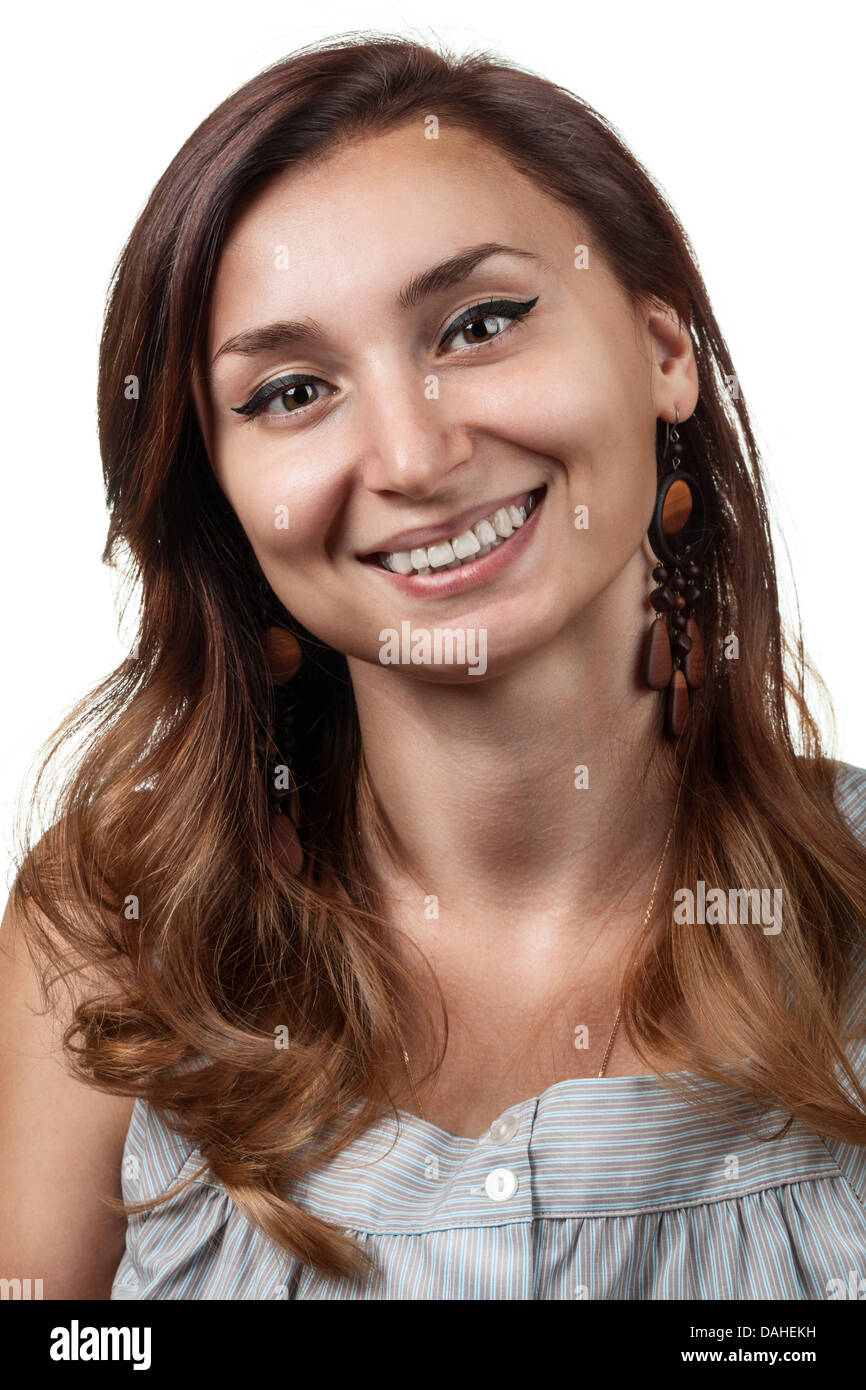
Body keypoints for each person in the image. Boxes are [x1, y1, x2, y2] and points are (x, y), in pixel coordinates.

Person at [2, 33, 865, 1302]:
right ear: (221, 497)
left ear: (661, 350)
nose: (410, 454)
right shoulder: (103, 939)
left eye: (478, 323)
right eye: (291, 393)